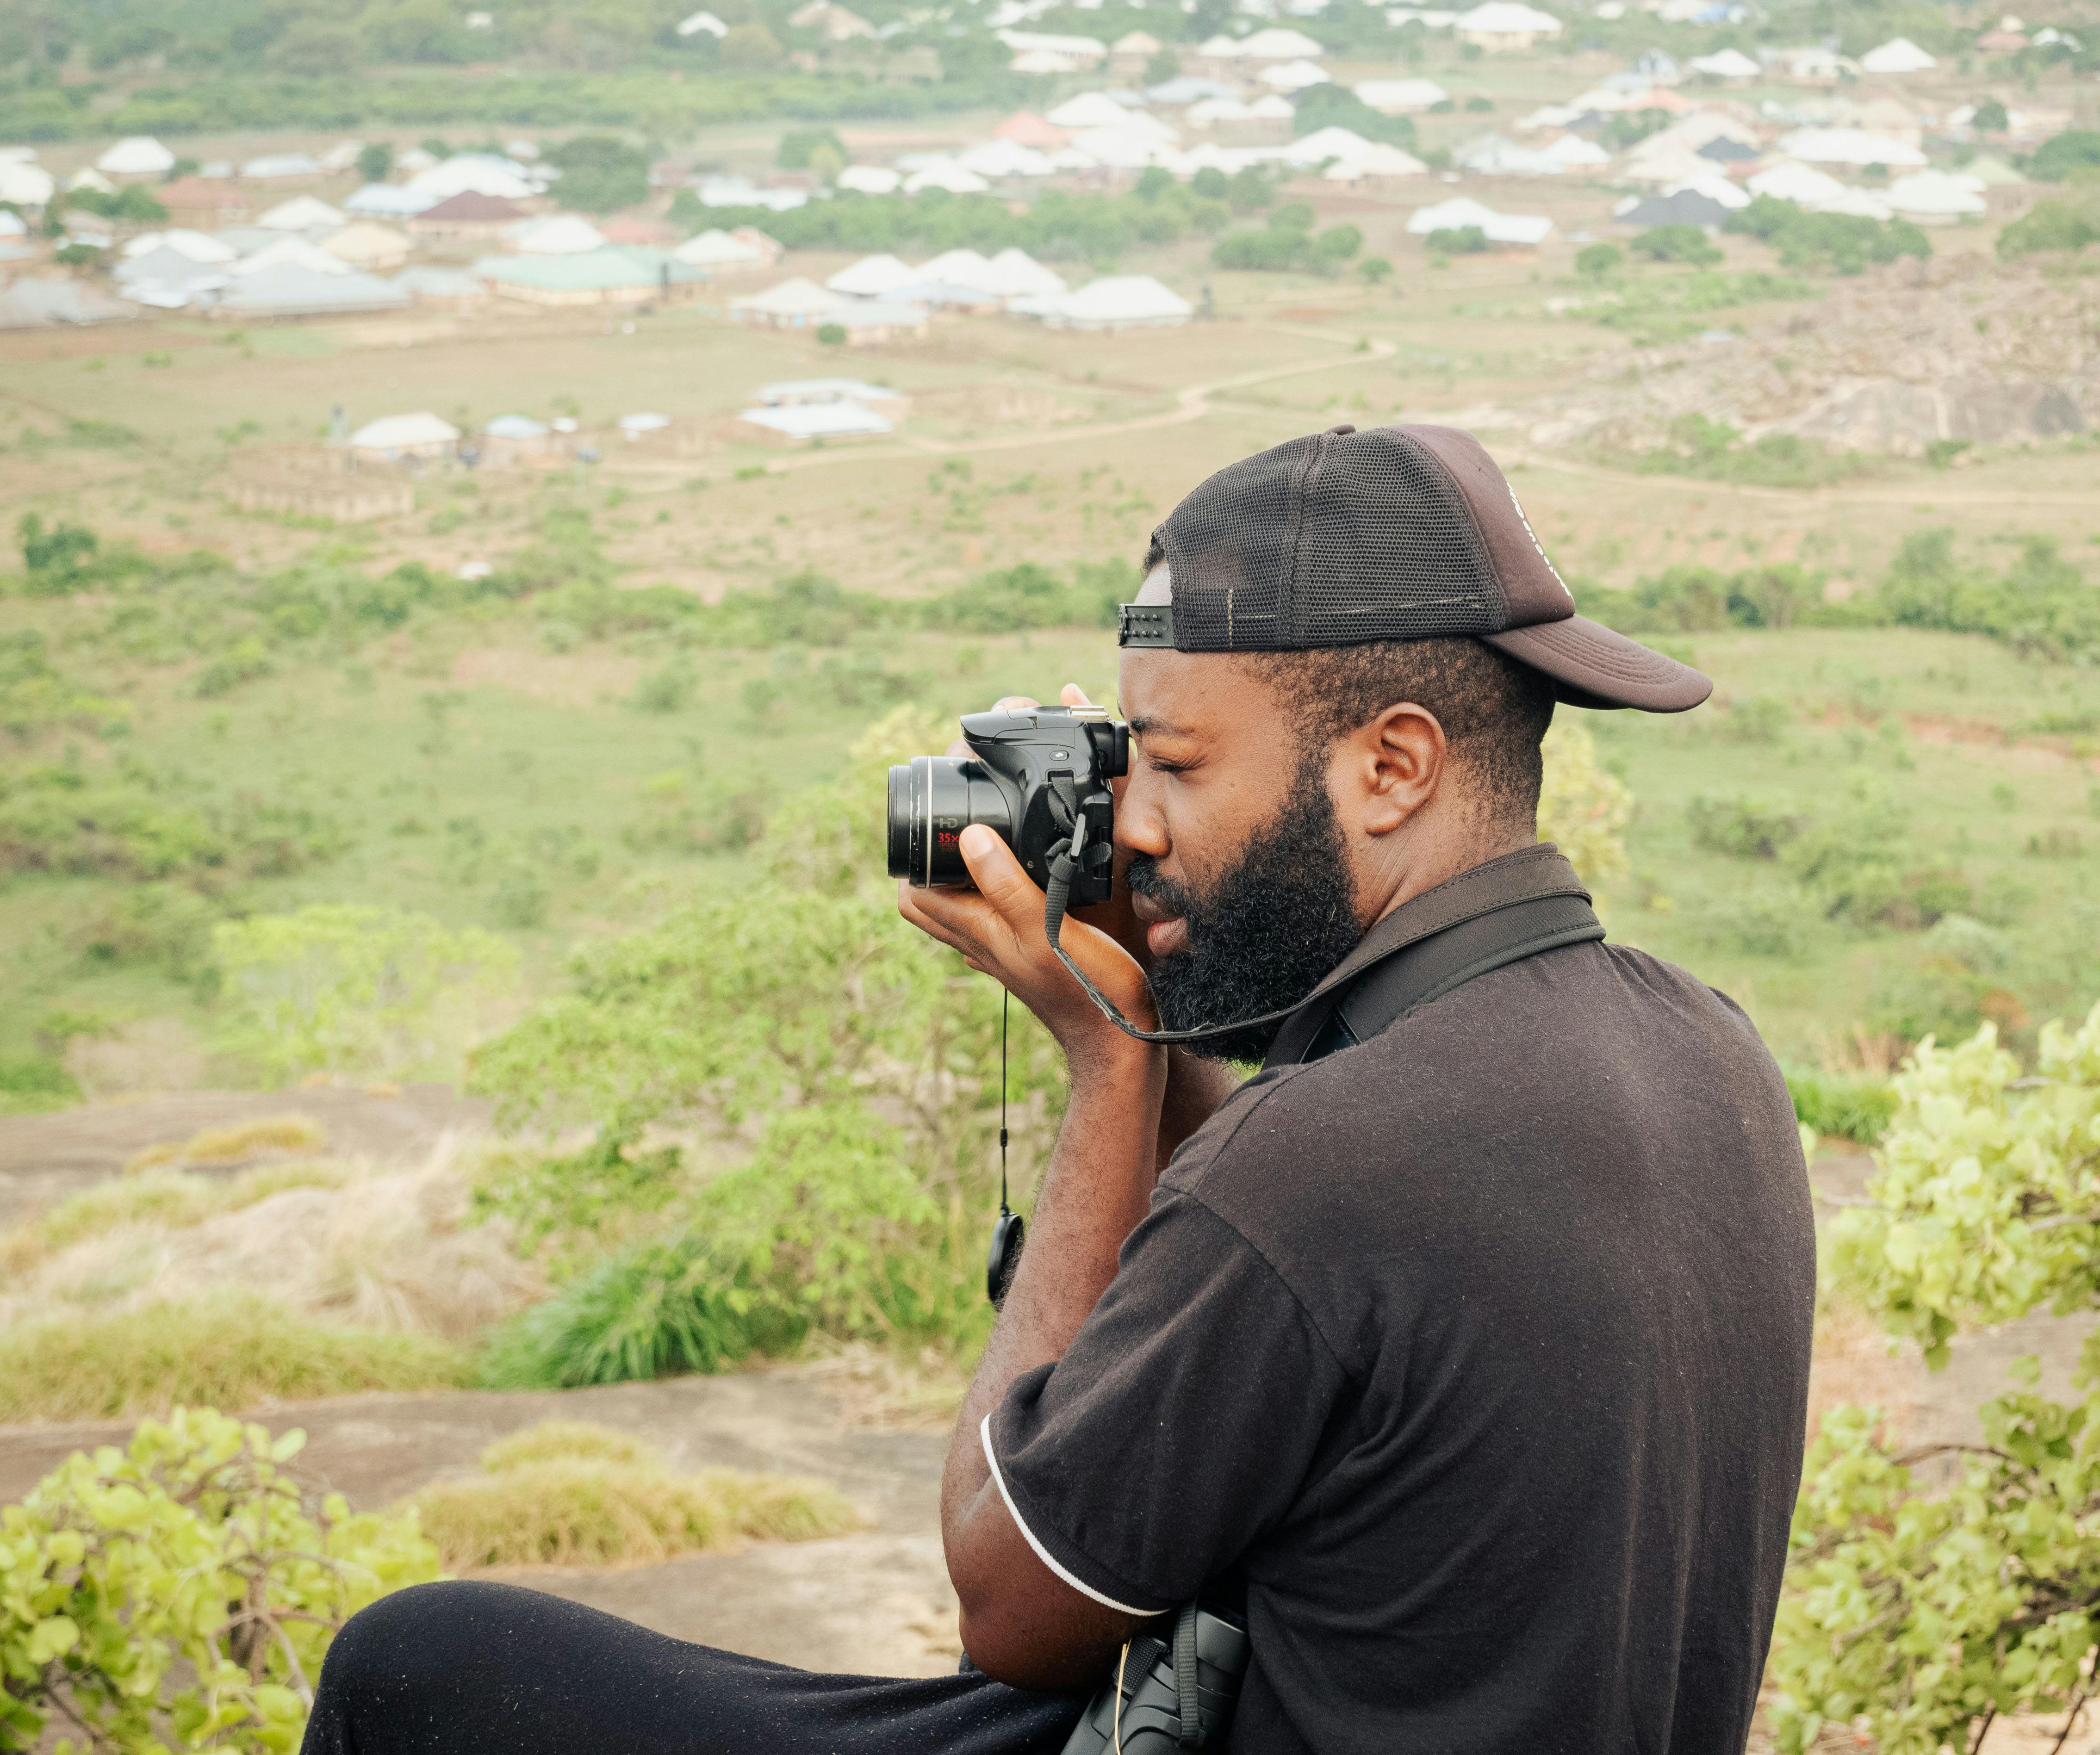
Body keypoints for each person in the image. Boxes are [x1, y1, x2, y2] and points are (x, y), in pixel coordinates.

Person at [302, 423, 1815, 1755]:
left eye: (1168, 764)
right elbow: (1333, 1286)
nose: (1132, 826)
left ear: (1392, 768)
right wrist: (1162, 1030)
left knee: (419, 1668)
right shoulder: (1712, 1056)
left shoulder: (1332, 1163)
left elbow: (1005, 1599)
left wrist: (1110, 1062)